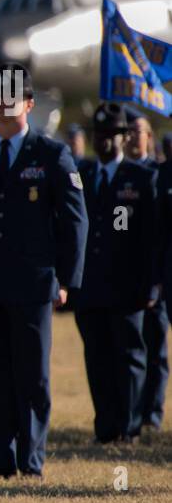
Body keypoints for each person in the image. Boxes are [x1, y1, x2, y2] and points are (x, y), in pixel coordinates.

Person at [0, 63, 87, 477]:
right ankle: (0, 463)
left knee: (32, 376)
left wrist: (66, 279)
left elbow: (74, 221)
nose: (3, 104)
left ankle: (30, 462)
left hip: (33, 284)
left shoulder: (51, 155)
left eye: (12, 96)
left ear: (28, 103)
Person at [74, 104, 158, 443]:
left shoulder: (140, 179)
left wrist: (152, 283)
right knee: (98, 359)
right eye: (99, 134)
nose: (103, 140)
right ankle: (106, 426)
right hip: (90, 286)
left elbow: (151, 238)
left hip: (128, 287)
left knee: (129, 358)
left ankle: (129, 426)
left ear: (124, 138)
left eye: (111, 134)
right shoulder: (81, 176)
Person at [125, 111, 167, 434]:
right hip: (130, 271)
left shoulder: (159, 175)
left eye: (137, 131)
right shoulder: (118, 175)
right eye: (127, 131)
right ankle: (132, 413)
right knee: (129, 348)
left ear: (149, 137)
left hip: (157, 274)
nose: (130, 137)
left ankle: (152, 413)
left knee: (155, 347)